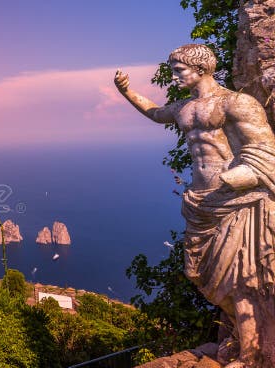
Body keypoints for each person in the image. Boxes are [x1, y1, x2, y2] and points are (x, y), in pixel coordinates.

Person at [115, 43, 275, 367]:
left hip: (234, 200)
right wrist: (126, 92)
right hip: (201, 203)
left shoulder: (236, 103)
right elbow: (154, 112)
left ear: (200, 69)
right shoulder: (183, 109)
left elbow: (264, 149)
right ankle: (247, 339)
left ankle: (253, 355)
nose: (173, 78)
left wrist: (240, 177)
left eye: (179, 71)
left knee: (239, 278)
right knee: (203, 276)